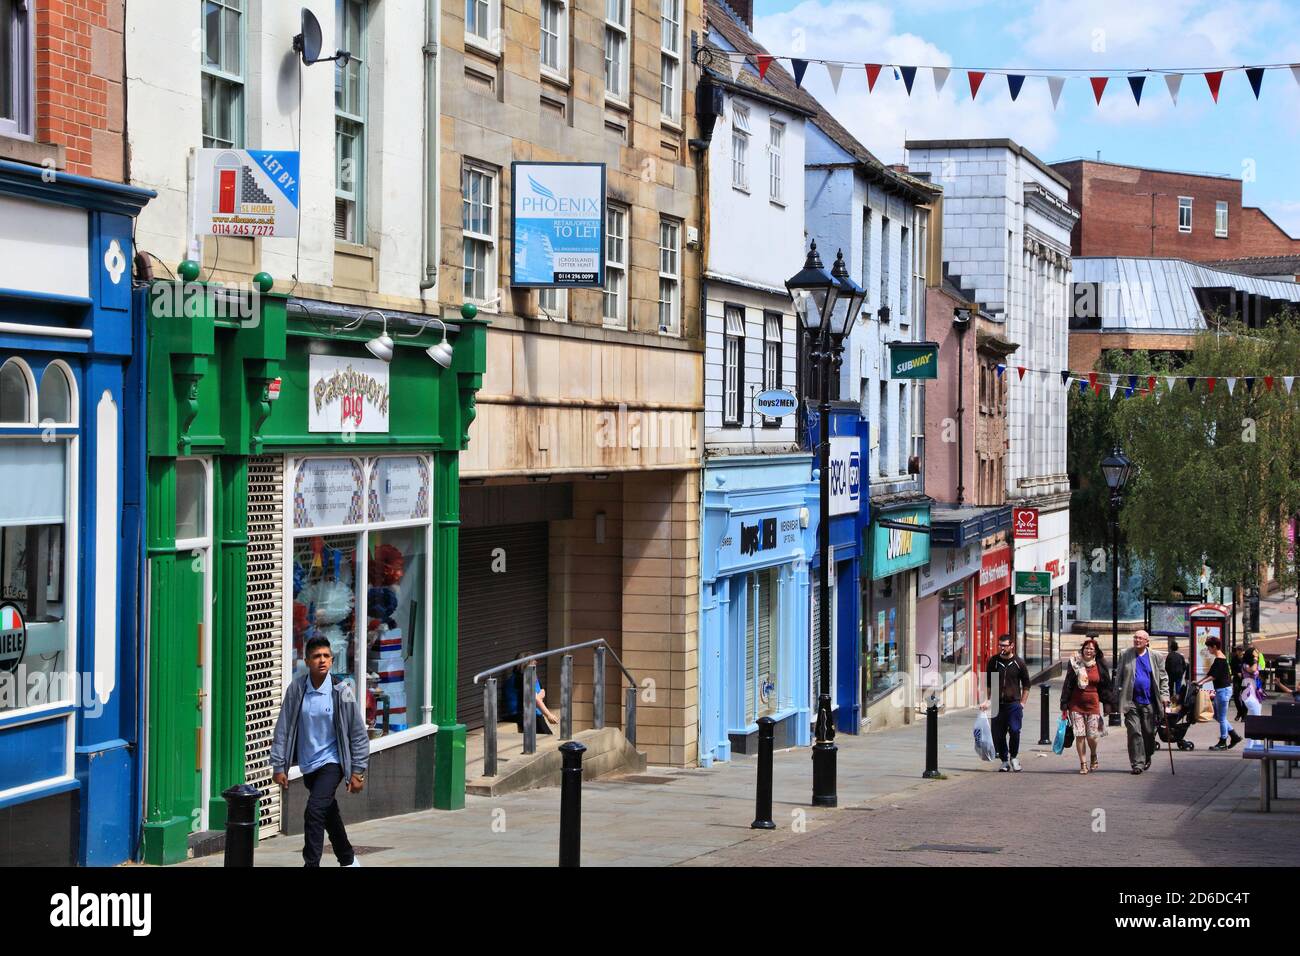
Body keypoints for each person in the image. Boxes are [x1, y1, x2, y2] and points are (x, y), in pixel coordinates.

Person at [271, 636, 370, 867]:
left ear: (332, 660)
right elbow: (283, 728)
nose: (322, 660)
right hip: (309, 764)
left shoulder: (341, 690)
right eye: (316, 656)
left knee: (314, 811)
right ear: (307, 661)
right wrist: (279, 765)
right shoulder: (297, 689)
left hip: (332, 762)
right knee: (328, 813)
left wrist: (358, 770)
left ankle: (311, 864)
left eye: (326, 656)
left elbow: (357, 733)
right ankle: (348, 860)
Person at [1112, 629, 1170, 774]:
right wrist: (1115, 697)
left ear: (1147, 641)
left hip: (1149, 701)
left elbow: (1163, 678)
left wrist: (1165, 696)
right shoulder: (1125, 654)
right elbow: (1118, 675)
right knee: (1134, 732)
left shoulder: (1156, 656)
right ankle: (1137, 763)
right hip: (1130, 700)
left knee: (1148, 733)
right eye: (1135, 638)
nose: (1137, 640)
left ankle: (1147, 754)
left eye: (1140, 638)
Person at [1060, 637, 1112, 774]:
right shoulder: (1075, 664)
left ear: (1095, 652)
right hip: (1075, 705)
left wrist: (1107, 704)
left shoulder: (1100, 665)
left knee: (1092, 736)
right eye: (1086, 648)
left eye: (1091, 649)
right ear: (1082, 650)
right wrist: (1064, 704)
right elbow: (1067, 684)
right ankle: (1083, 764)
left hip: (1093, 705)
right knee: (1080, 735)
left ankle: (1093, 754)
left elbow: (1106, 686)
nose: (1088, 651)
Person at [981, 635, 1031, 772]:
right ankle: (1004, 761)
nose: (1002, 648)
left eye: (1005, 645)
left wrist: (1022, 703)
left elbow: (1027, 685)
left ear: (1012, 645)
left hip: (1014, 703)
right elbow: (991, 683)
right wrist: (988, 700)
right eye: (1000, 645)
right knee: (998, 734)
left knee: (1015, 731)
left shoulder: (1018, 663)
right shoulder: (994, 662)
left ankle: (1014, 757)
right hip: (998, 703)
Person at [1195, 636, 1241, 750]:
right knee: (1216, 715)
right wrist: (1198, 682)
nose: (1208, 650)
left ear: (1214, 647)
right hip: (1222, 690)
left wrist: (1201, 683)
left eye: (1209, 648)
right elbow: (1210, 674)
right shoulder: (1219, 659)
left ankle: (1223, 741)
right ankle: (1234, 736)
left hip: (1223, 690)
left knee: (1222, 718)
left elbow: (1213, 676)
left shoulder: (1220, 659)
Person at [514, 657, 560, 735]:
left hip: (536, 712)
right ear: (525, 663)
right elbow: (535, 699)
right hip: (527, 714)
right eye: (533, 660)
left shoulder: (533, 676)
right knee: (548, 736)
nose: (536, 661)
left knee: (547, 734)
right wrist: (549, 715)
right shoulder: (522, 678)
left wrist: (538, 697)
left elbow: (542, 691)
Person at [1229, 646, 1248, 721]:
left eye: (1241, 651)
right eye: (1238, 651)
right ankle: (1239, 712)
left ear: (1243, 652)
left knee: (1244, 698)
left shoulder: (1246, 659)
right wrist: (1237, 673)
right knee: (1236, 696)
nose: (1239, 652)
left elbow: (1250, 668)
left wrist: (1243, 674)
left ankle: (1244, 716)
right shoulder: (1234, 659)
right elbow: (1232, 669)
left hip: (1246, 680)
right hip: (1237, 679)